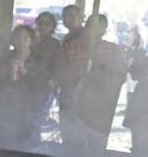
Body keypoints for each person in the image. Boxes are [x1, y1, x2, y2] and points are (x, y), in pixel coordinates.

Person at [52, 14, 126, 148]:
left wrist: (101, 75)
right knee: (71, 146)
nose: (95, 31)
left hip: (100, 108)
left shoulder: (113, 50)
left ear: (104, 30)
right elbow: (57, 73)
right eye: (92, 27)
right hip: (71, 104)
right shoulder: (70, 46)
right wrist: (77, 73)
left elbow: (121, 77)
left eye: (99, 28)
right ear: (86, 27)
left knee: (96, 148)